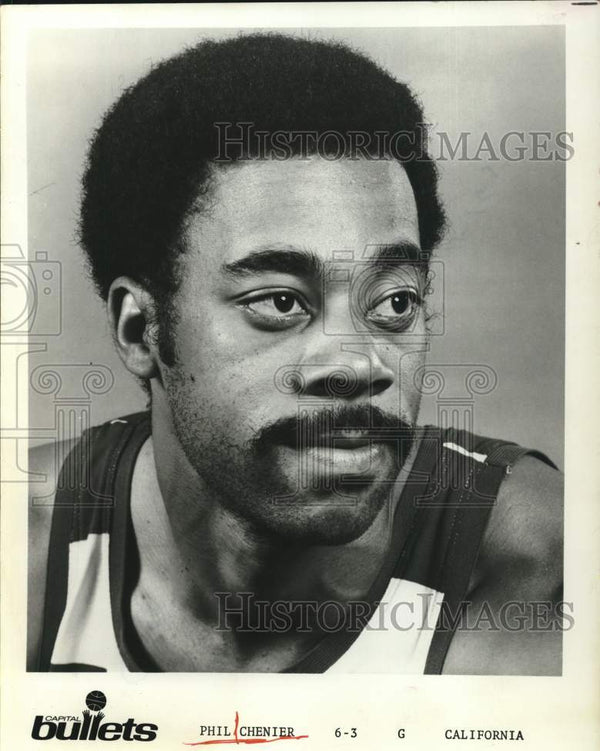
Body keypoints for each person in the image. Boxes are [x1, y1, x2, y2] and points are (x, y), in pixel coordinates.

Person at [28, 33, 563, 674]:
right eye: (281, 302)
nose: (359, 365)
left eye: (394, 302)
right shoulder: (27, 546)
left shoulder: (534, 570)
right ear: (141, 330)